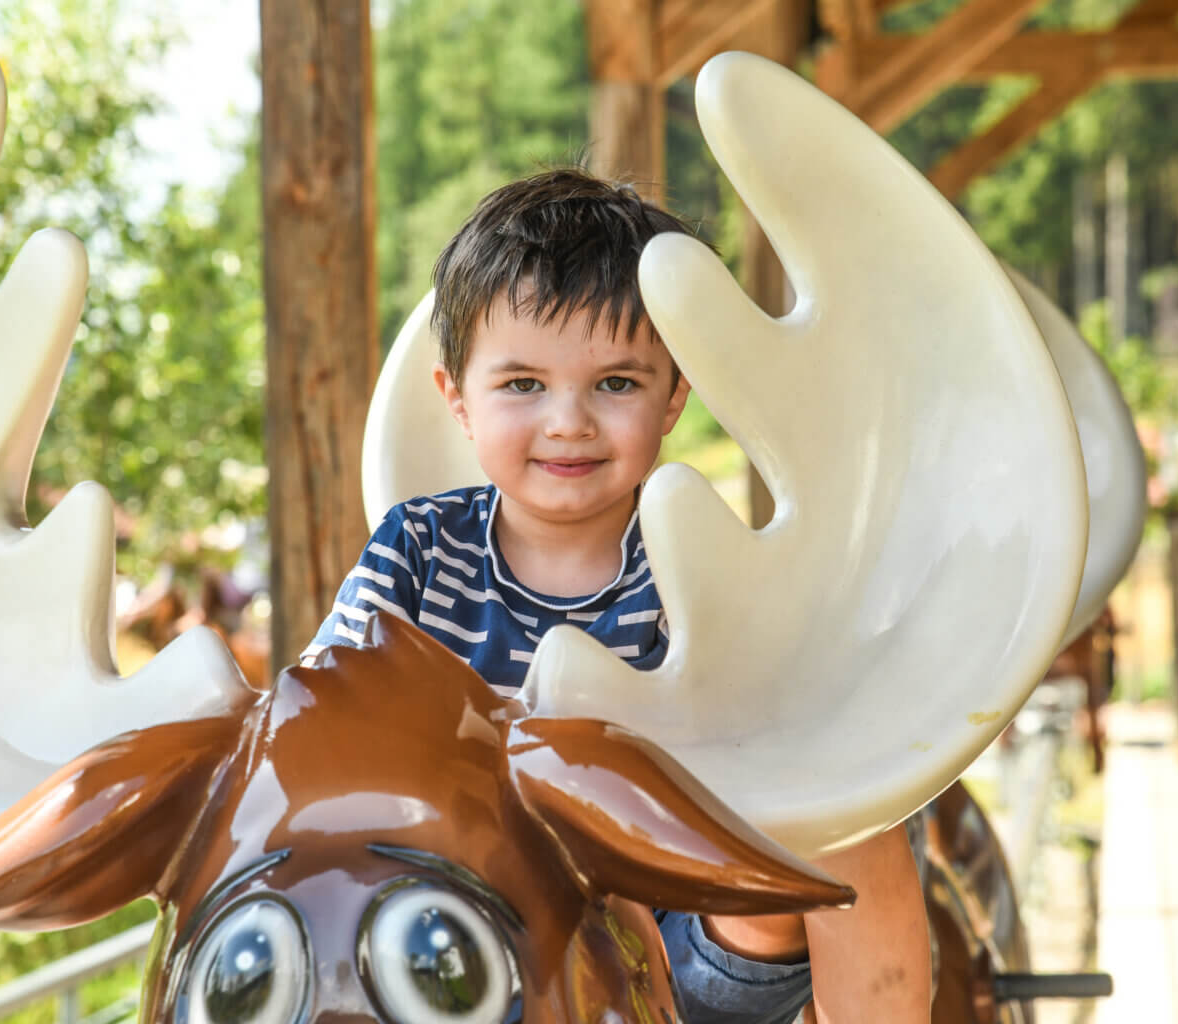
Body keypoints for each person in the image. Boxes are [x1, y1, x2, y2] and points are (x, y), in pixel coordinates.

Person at [303, 168, 931, 1022]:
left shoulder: (693, 564)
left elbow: (774, 753)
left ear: (674, 397)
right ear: (456, 397)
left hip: (687, 954)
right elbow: (320, 716)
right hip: (472, 928)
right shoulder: (417, 551)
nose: (569, 421)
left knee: (855, 825)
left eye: (617, 384)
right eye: (523, 384)